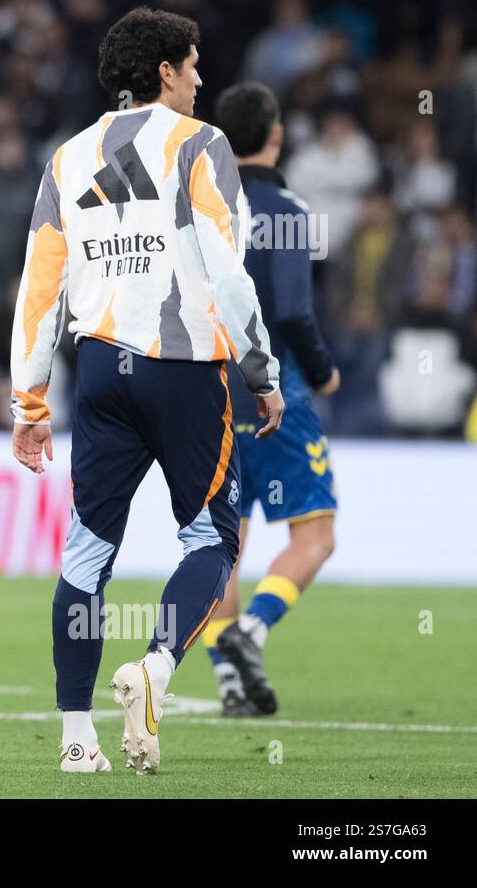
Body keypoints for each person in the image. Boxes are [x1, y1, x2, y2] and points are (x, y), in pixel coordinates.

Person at [9, 7, 284, 775]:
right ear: (165, 71)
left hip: (99, 373)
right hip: (186, 369)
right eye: (193, 66)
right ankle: (155, 669)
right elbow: (229, 271)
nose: (200, 81)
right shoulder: (204, 144)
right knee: (211, 540)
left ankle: (74, 738)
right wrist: (261, 371)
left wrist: (28, 402)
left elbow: (39, 288)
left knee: (87, 550)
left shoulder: (66, 158)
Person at [202, 81, 339, 717]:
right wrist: (323, 371)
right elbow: (292, 310)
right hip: (273, 391)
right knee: (315, 535)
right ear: (277, 134)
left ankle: (229, 684)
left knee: (224, 543)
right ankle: (250, 633)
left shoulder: (202, 205)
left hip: (209, 392)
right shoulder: (285, 207)